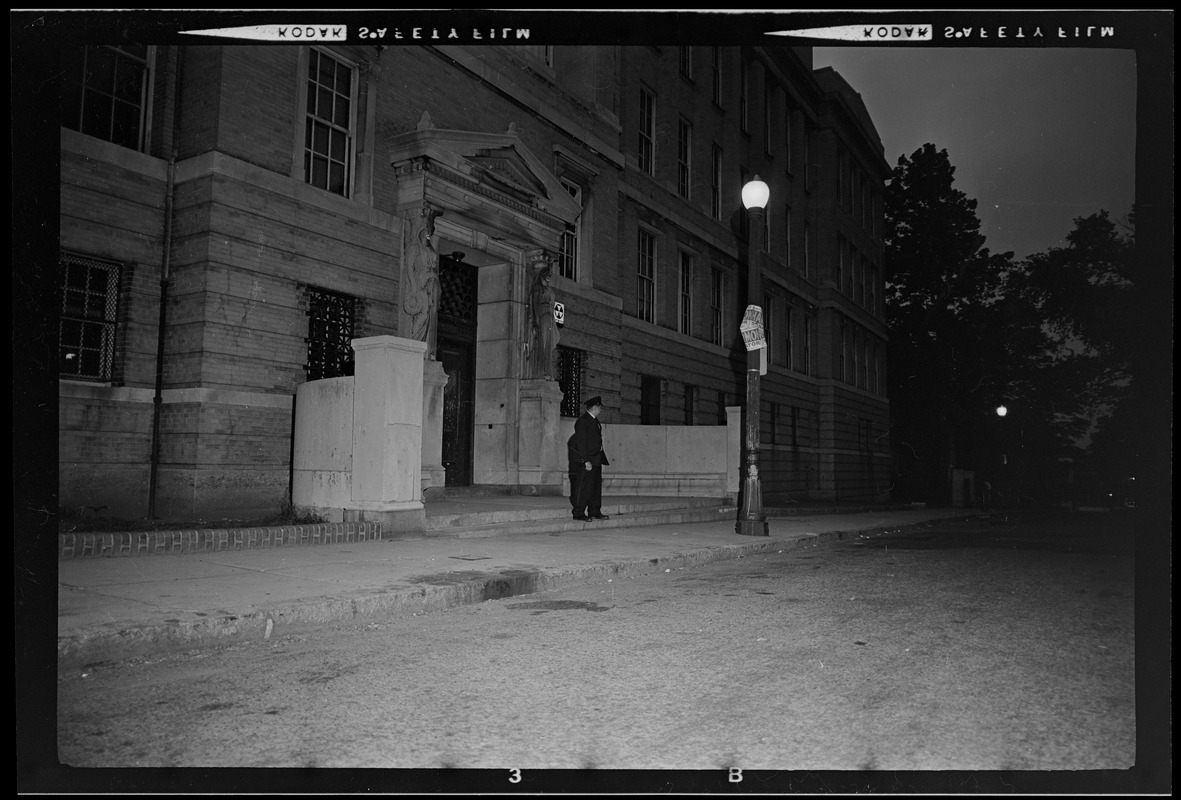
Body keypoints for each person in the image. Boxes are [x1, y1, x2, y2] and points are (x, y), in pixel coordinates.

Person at [567, 396, 610, 521]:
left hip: (596, 458)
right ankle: (579, 512)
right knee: (584, 486)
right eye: (600, 408)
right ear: (595, 408)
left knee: (595, 487)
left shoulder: (595, 421)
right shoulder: (583, 421)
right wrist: (586, 460)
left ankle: (594, 510)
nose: (600, 410)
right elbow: (581, 443)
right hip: (588, 460)